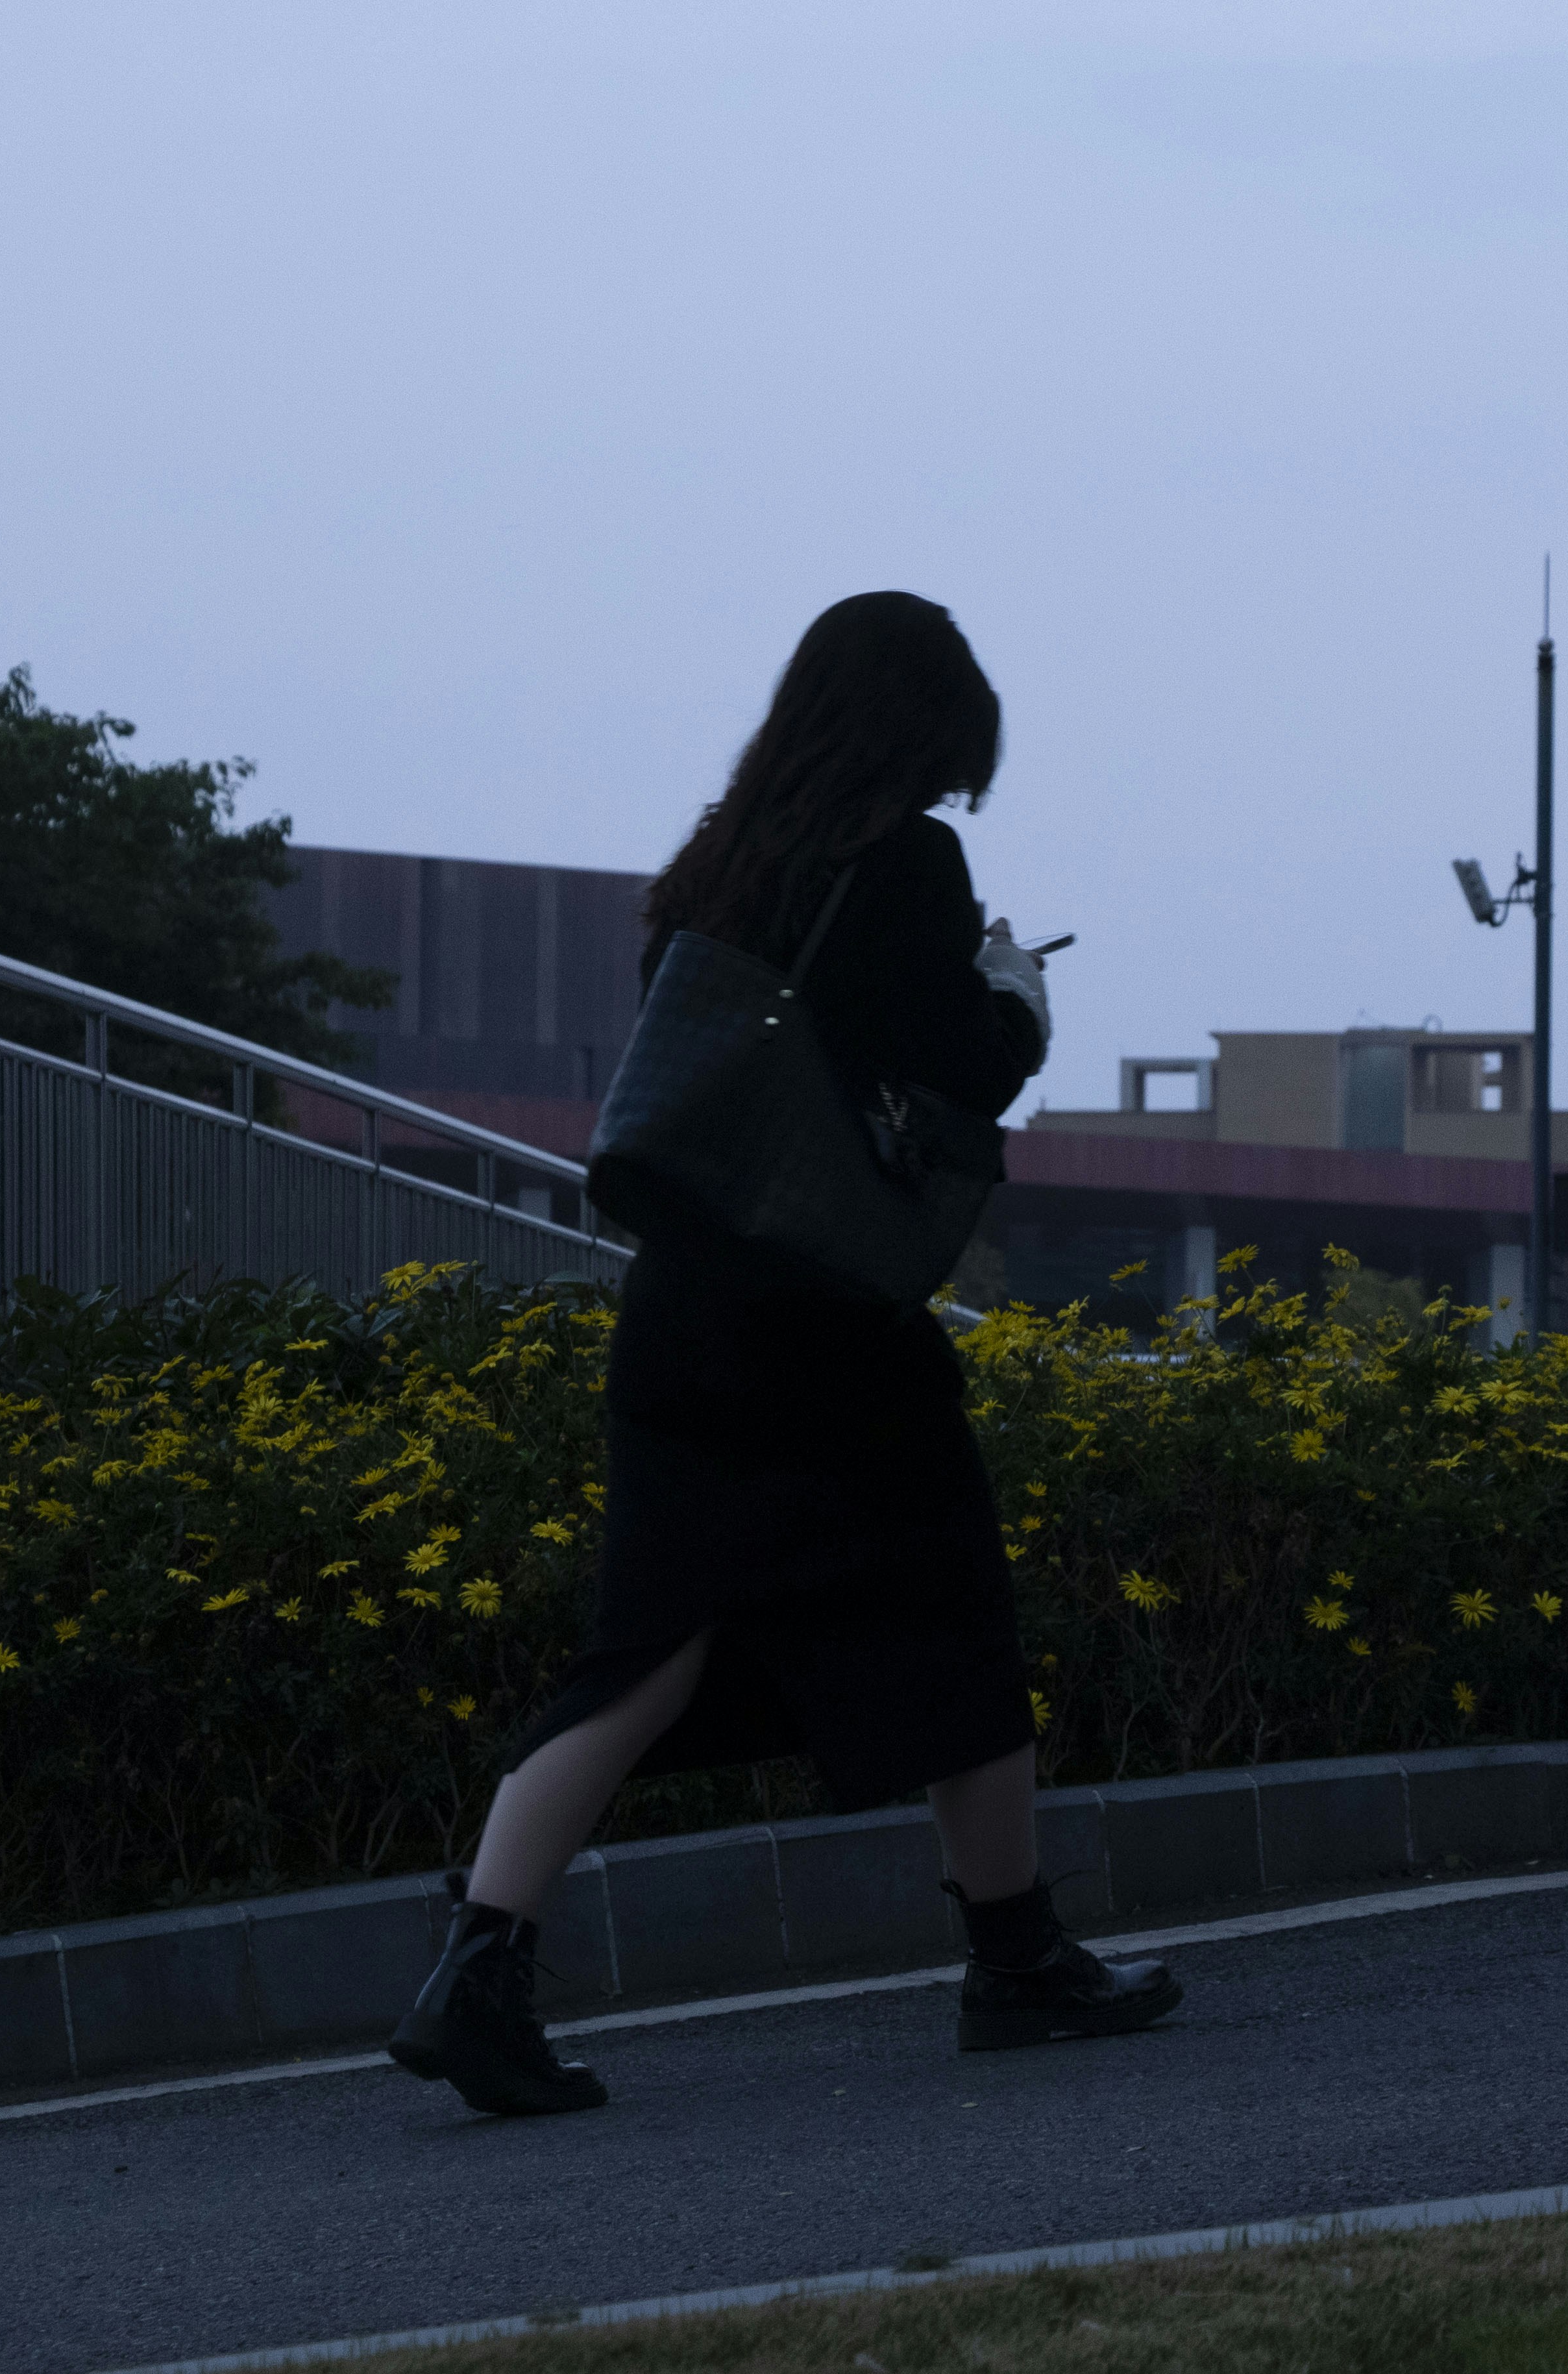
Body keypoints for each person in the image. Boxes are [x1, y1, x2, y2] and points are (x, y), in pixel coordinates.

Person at [389, 591, 1179, 2117]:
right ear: (926, 729)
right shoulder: (907, 864)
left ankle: (473, 1969)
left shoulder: (720, 864)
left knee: (645, 1651)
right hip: (829, 1323)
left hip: (684, 1308)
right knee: (954, 1608)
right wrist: (1014, 998)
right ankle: (1015, 1959)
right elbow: (958, 1066)